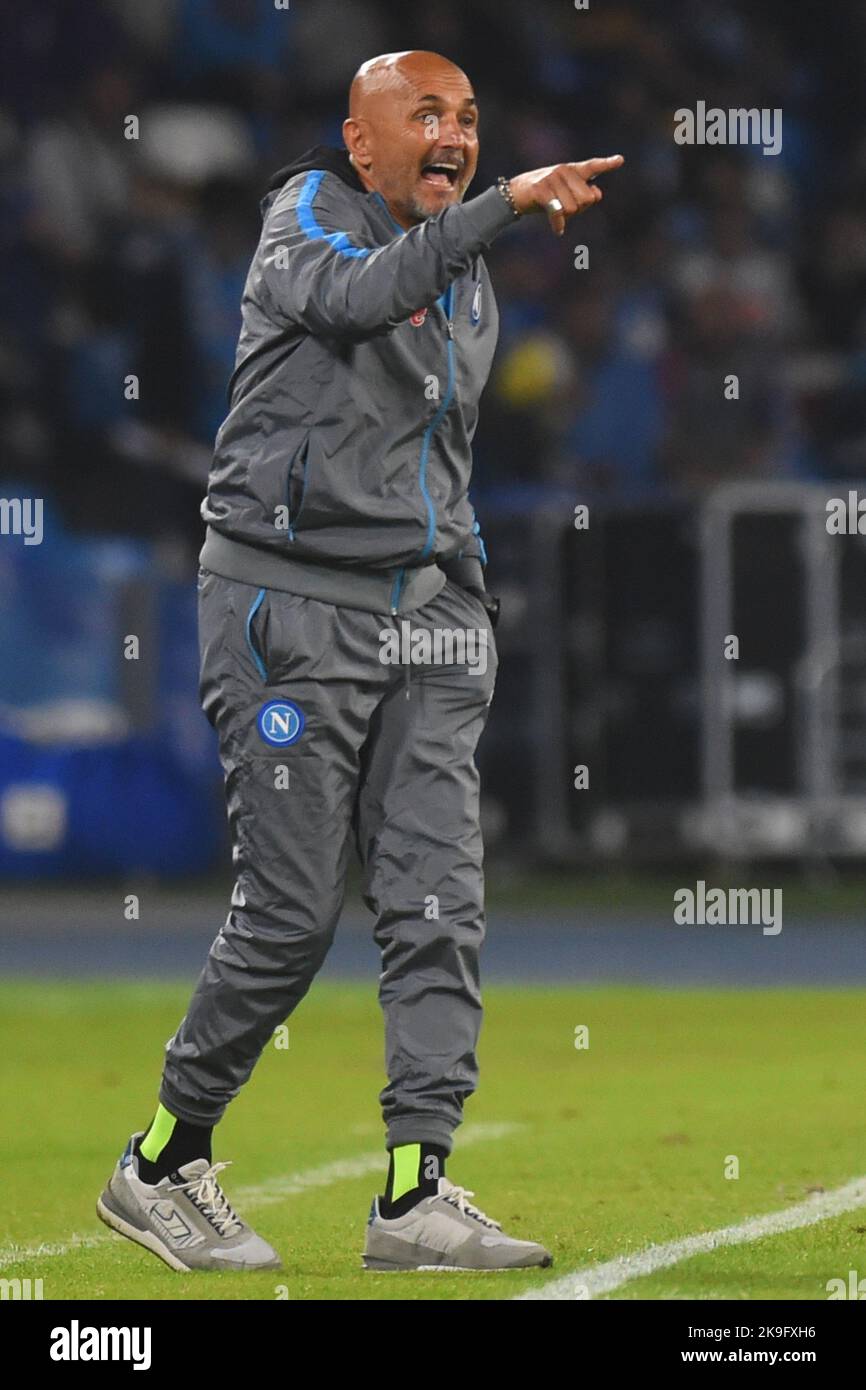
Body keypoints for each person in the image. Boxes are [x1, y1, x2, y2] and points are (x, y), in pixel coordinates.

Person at [97, 48, 622, 1274]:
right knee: (288, 917)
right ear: (360, 140)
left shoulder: (470, 281)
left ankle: (412, 1197)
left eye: (470, 119)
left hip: (427, 622)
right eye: (424, 114)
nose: (453, 135)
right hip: (286, 608)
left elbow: (444, 468)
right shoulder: (304, 221)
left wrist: (473, 611)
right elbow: (356, 299)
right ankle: (161, 1162)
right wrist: (499, 205)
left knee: (439, 902)